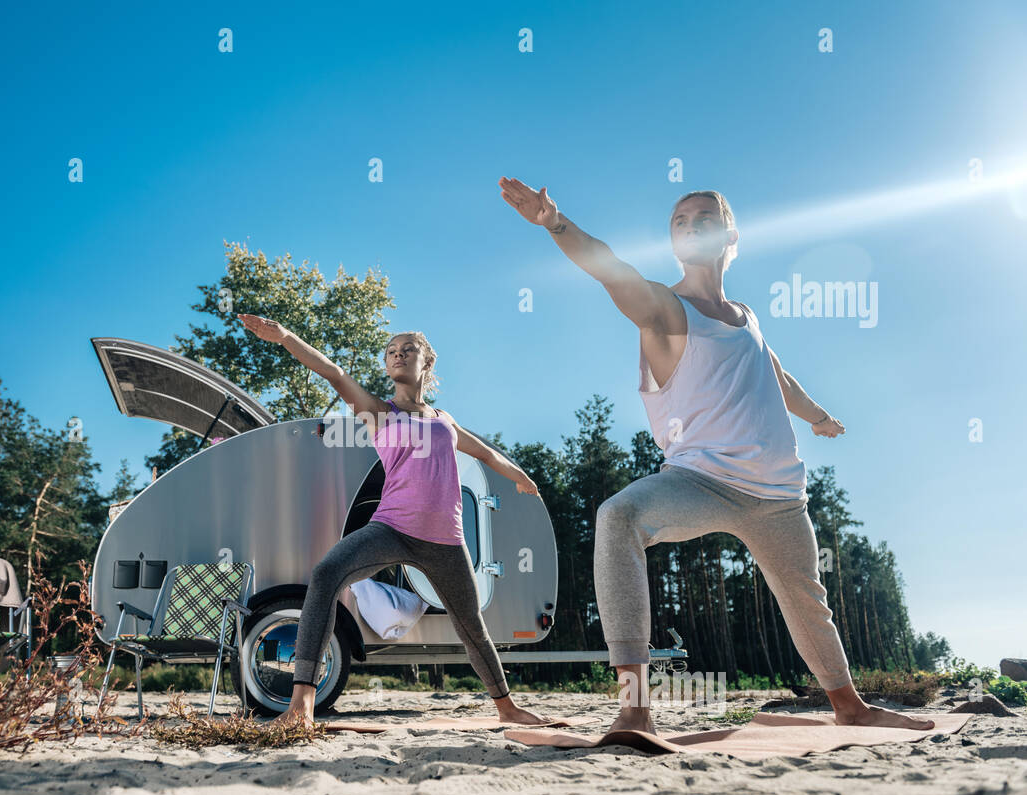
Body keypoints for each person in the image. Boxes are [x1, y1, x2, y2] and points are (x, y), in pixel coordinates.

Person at [498, 177, 935, 735]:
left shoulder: (747, 316)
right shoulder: (665, 308)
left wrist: (819, 416)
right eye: (680, 221)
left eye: (704, 218)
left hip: (778, 494)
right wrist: (557, 224)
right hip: (698, 481)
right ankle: (635, 710)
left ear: (730, 234)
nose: (690, 227)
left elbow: (778, 376)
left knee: (807, 601)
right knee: (619, 516)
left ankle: (850, 706)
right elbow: (610, 268)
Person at [237, 312, 549, 726]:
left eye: (408, 350)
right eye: (391, 352)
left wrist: (521, 477)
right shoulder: (378, 413)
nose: (398, 355)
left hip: (445, 539)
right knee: (327, 573)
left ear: (427, 363)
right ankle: (301, 706)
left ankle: (508, 708)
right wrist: (285, 337)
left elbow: (487, 455)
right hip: (392, 528)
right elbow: (332, 372)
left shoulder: (445, 421)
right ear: (386, 366)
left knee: (471, 625)